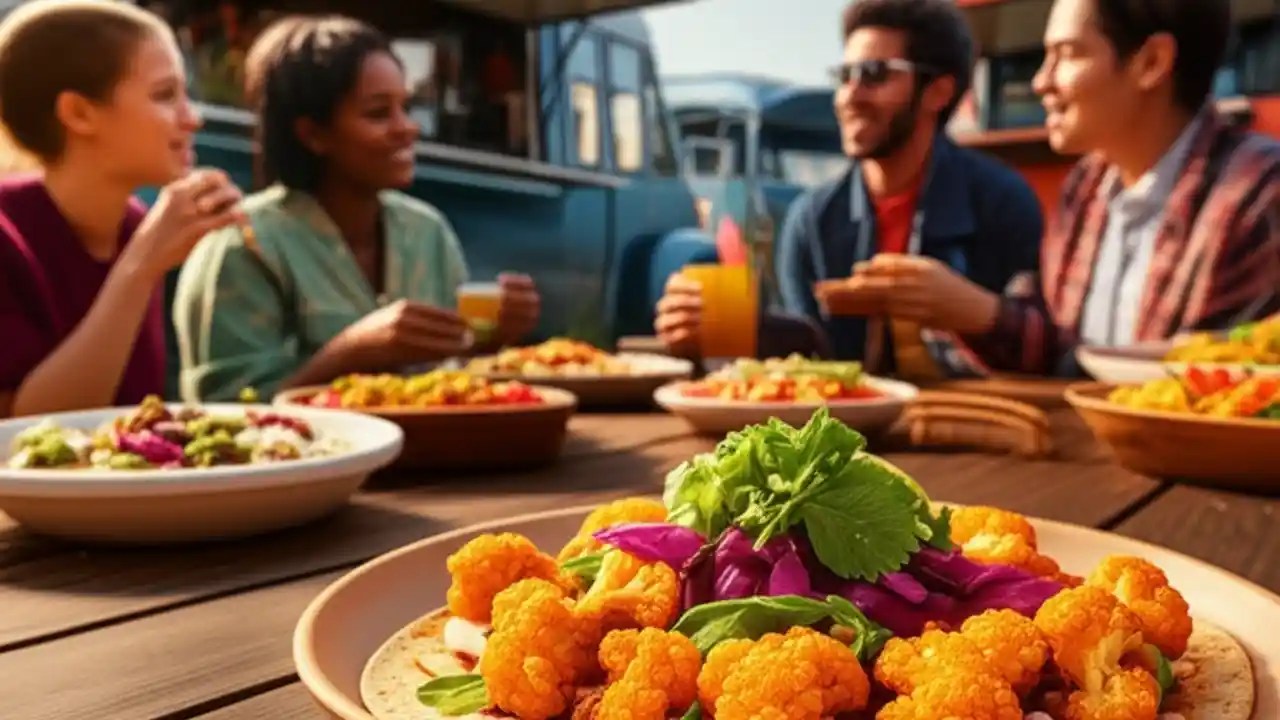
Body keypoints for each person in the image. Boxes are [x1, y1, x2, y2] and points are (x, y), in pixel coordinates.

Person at [655, 0, 1043, 378]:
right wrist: (724, 328)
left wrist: (972, 312)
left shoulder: (1002, 203)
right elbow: (813, 356)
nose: (849, 97)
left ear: (937, 92)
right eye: (845, 75)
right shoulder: (812, 220)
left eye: (874, 73)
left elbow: (1044, 353)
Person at [173, 16, 540, 401]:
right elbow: (226, 415)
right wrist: (350, 352)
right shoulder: (244, 245)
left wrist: (491, 339)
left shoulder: (426, 231)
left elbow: (452, 381)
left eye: (406, 107)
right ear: (313, 134)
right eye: (379, 113)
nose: (407, 129)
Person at [963, 0, 1280, 375]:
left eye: (1067, 55)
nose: (1040, 81)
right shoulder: (1084, 187)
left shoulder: (1258, 192)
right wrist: (964, 309)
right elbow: (1060, 353)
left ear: (1152, 63)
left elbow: (1227, 375)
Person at [0, 0, 244, 419]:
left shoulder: (132, 225)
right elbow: (22, 433)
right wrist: (140, 267)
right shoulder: (9, 234)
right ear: (78, 113)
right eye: (166, 95)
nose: (193, 119)